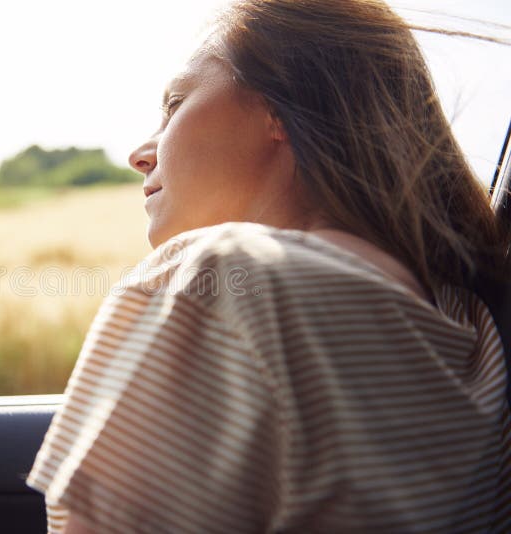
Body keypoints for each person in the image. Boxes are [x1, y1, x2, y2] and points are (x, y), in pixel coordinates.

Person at [27, 0, 511, 532]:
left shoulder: (224, 283)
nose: (141, 153)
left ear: (278, 108)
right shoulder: (473, 323)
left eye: (175, 105)